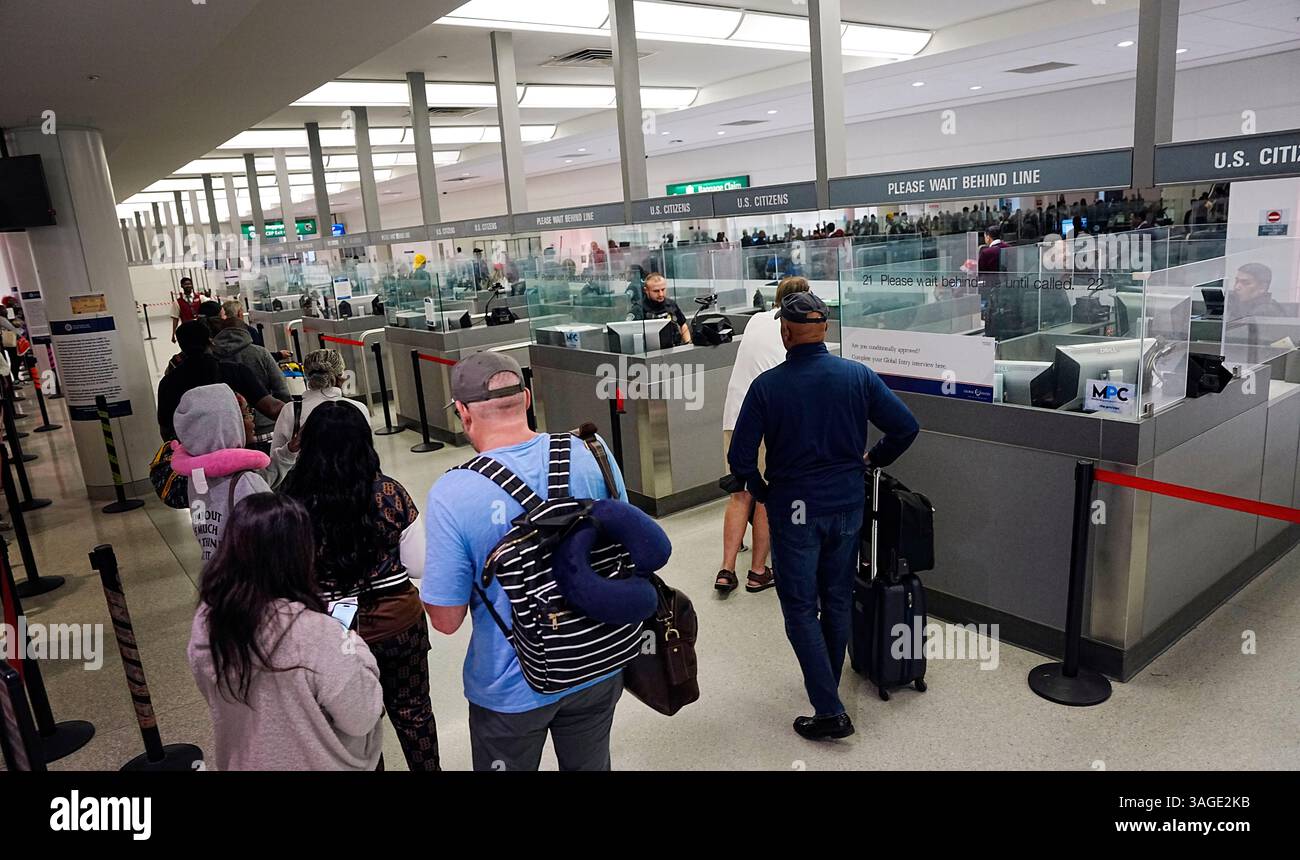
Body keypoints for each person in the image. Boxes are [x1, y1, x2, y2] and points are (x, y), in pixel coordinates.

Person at [421, 352, 628, 771]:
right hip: (599, 659)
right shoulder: (593, 450)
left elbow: (446, 619)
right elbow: (627, 543)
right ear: (527, 397)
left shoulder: (453, 492)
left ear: (462, 412)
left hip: (510, 688)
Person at [728, 291, 919, 741]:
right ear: (826, 330)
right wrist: (872, 459)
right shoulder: (857, 376)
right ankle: (827, 691)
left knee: (798, 607)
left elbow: (740, 461)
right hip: (848, 505)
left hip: (794, 510)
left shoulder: (767, 387)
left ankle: (829, 708)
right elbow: (906, 426)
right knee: (836, 599)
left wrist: (763, 493)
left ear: (785, 332)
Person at [281, 403, 439, 771]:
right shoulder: (389, 492)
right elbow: (418, 565)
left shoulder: (290, 499)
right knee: (414, 712)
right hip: (398, 624)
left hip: (329, 633)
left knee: (354, 724)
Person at [188, 492, 385, 770]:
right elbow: (362, 715)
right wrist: (355, 646)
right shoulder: (315, 634)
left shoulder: (206, 621)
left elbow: (210, 692)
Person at [717, 277, 814, 595]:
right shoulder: (795, 329)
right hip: (767, 421)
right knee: (765, 497)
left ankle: (726, 570)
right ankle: (758, 571)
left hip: (734, 416)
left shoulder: (758, 320)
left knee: (739, 494)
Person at [170, 384, 272, 563]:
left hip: (216, 574)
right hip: (249, 583)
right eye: (246, 414)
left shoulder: (197, 475)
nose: (252, 421)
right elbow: (273, 545)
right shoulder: (247, 482)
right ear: (229, 424)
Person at [156, 320, 283, 442]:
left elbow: (166, 430)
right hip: (237, 452)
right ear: (211, 341)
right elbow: (272, 408)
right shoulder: (235, 372)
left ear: (181, 346)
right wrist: (299, 411)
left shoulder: (168, 383)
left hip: (195, 456)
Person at [265, 349, 369, 488]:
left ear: (307, 376)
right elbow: (367, 455)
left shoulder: (291, 410)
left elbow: (276, 461)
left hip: (306, 492)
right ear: (341, 376)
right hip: (352, 487)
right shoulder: (359, 408)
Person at [211, 307, 291, 447]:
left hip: (233, 432)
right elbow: (281, 389)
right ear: (245, 331)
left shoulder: (213, 358)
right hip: (268, 426)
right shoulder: (260, 353)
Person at [629, 272, 691, 346]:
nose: (661, 294)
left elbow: (683, 325)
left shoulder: (671, 304)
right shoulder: (638, 309)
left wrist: (688, 344)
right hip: (652, 352)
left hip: (674, 348)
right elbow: (630, 336)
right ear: (646, 290)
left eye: (663, 289)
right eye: (656, 291)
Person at [171, 277, 203, 343]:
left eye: (189, 284)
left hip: (201, 327)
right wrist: (173, 333)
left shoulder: (201, 298)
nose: (188, 286)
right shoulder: (177, 302)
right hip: (187, 329)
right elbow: (175, 319)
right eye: (185, 284)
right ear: (182, 286)